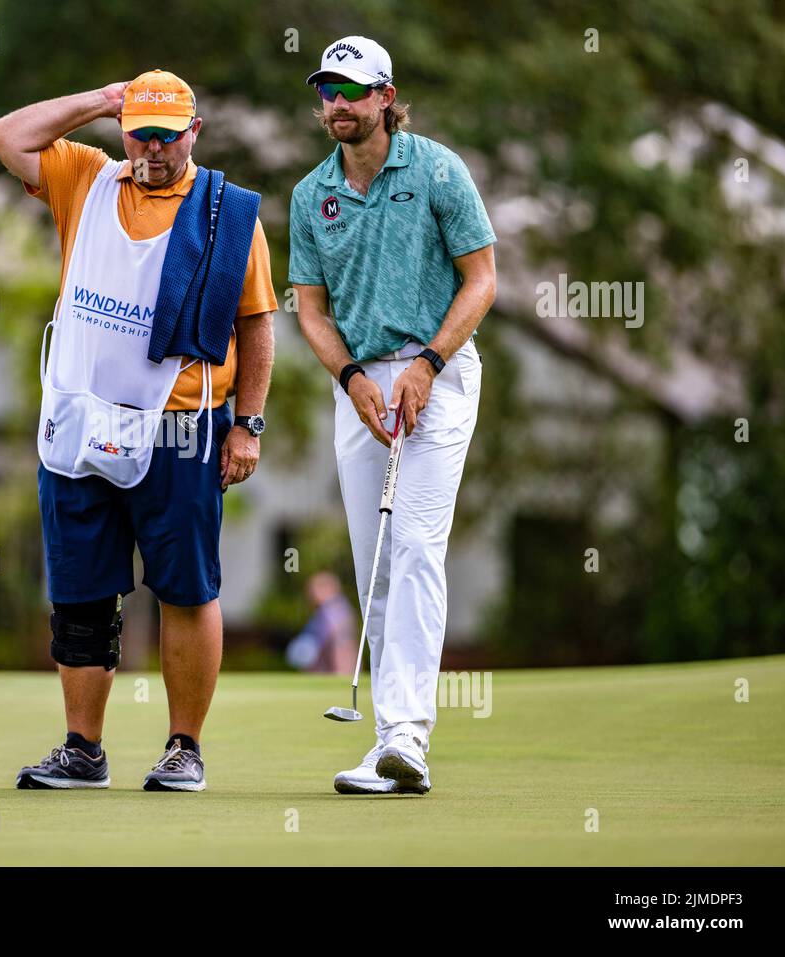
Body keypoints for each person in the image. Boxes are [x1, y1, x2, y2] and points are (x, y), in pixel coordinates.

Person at [0, 69, 277, 792]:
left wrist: (248, 426)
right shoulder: (85, 176)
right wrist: (99, 100)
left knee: (185, 588)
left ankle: (184, 748)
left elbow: (257, 324)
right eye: (140, 132)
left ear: (194, 133)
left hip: (182, 425)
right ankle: (83, 749)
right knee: (81, 590)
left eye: (166, 134)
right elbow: (4, 136)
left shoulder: (225, 214)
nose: (152, 147)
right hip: (80, 420)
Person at [288, 36, 496, 795]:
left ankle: (408, 734)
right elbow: (309, 310)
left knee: (413, 545)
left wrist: (428, 364)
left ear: (385, 95)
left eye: (351, 90)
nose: (336, 103)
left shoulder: (438, 169)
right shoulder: (312, 195)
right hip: (360, 387)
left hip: (437, 371)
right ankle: (389, 744)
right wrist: (348, 376)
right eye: (327, 91)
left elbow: (481, 280)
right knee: (373, 558)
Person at [285, 572, 359, 675]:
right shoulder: (336, 606)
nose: (310, 594)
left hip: (337, 648)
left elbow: (332, 632)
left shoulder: (332, 607)